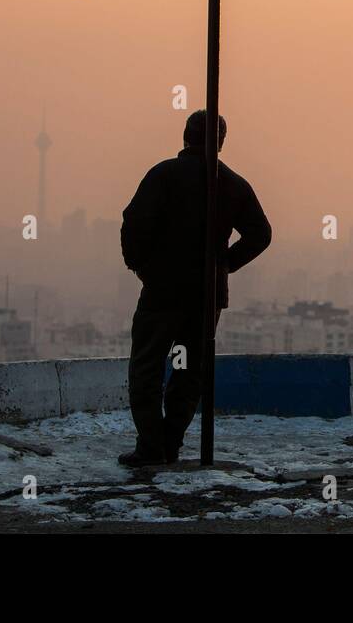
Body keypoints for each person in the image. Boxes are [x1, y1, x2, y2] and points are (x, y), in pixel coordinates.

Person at [118, 110, 271, 466]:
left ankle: (152, 446)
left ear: (185, 135)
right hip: (204, 299)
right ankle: (170, 443)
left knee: (148, 368)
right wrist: (222, 266)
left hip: (162, 292)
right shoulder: (233, 184)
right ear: (220, 142)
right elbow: (260, 235)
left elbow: (134, 224)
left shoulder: (164, 175)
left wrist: (141, 266)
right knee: (188, 372)